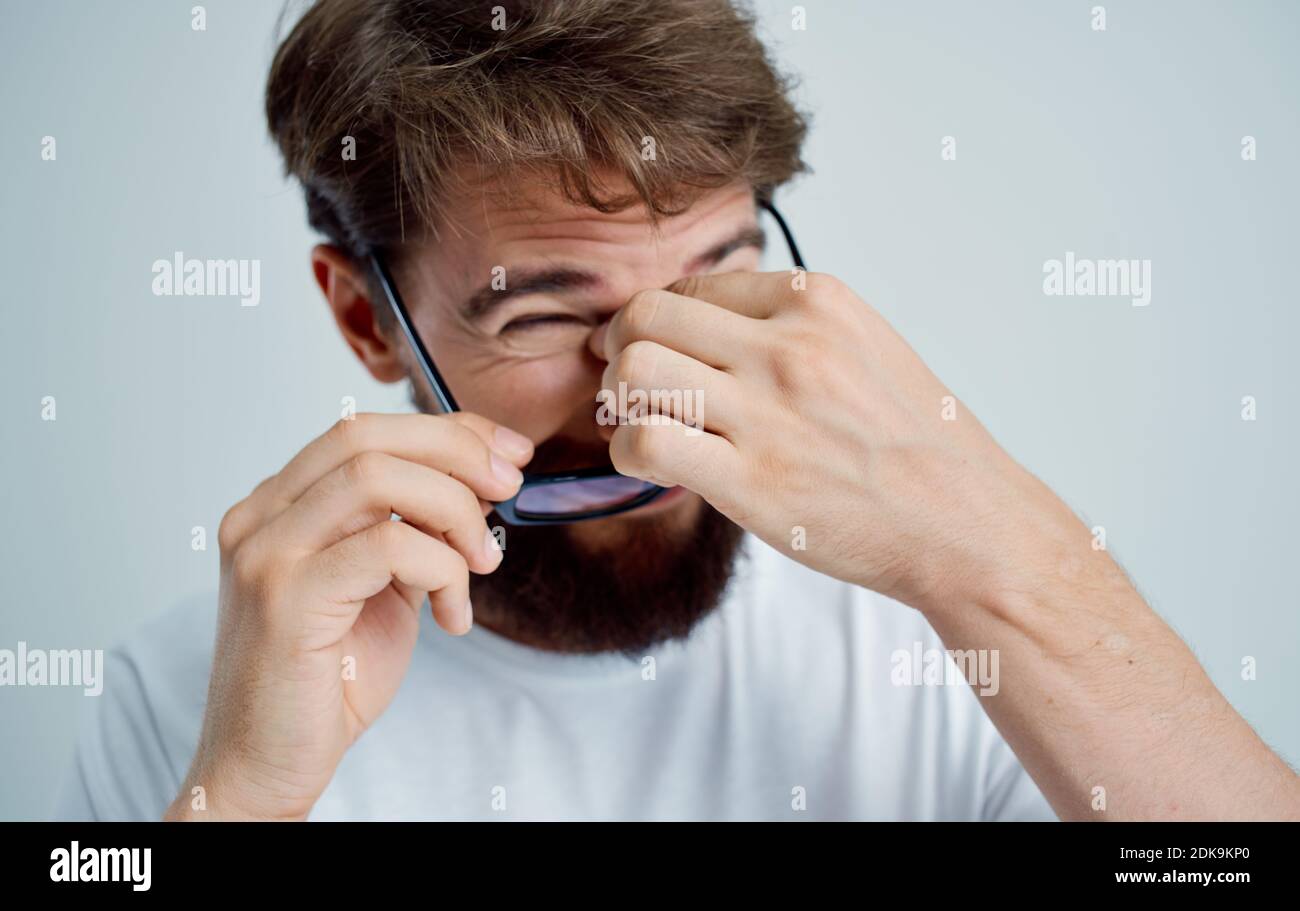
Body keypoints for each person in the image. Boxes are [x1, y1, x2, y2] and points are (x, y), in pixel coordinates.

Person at [57, 0, 1298, 821]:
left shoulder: (942, 631)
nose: (649, 389)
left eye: (716, 274)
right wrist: (242, 798)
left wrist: (1004, 562)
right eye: (545, 314)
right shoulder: (195, 695)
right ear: (366, 319)